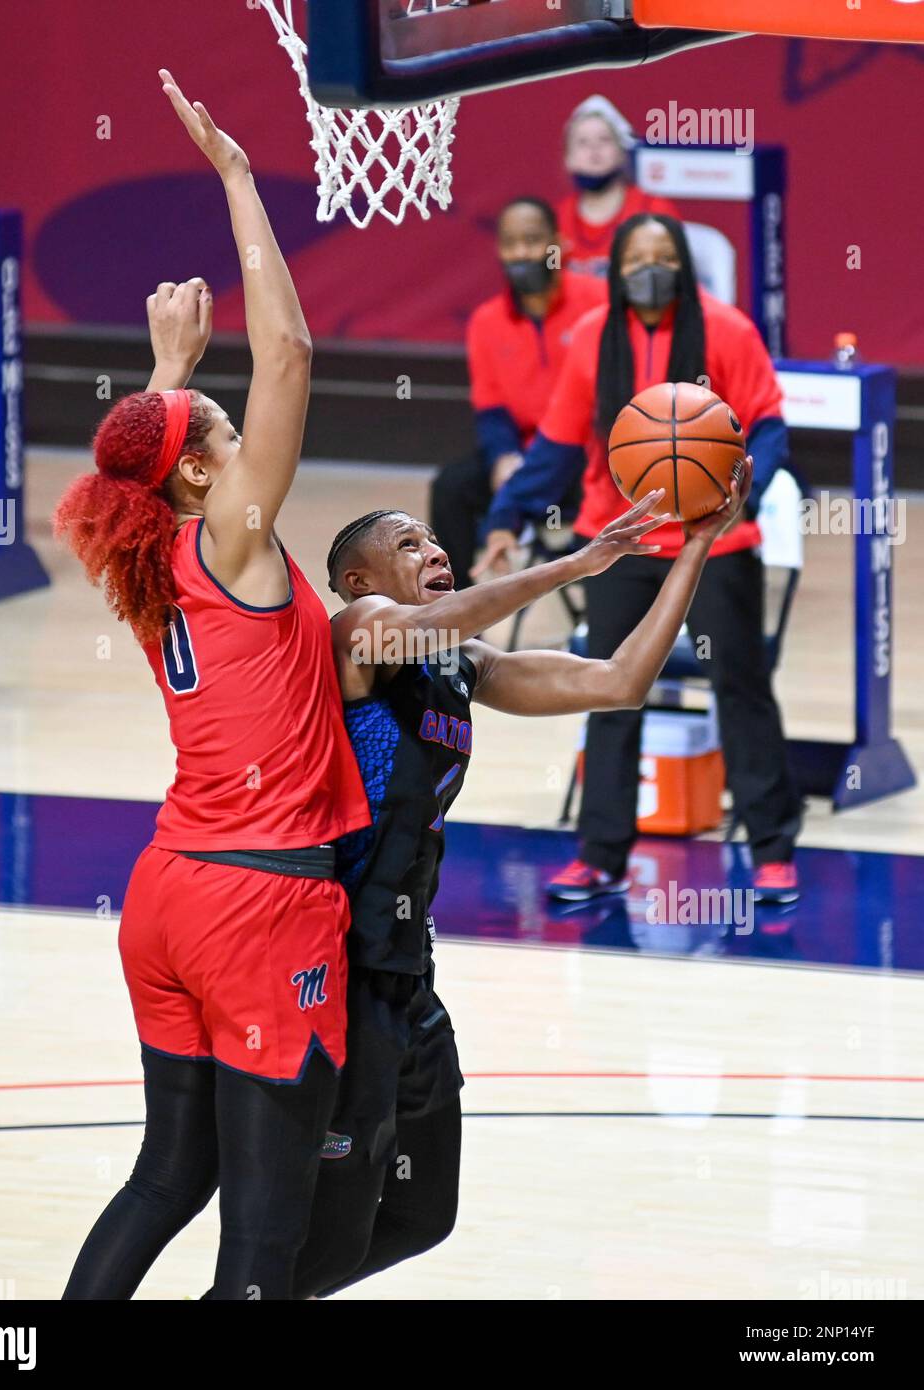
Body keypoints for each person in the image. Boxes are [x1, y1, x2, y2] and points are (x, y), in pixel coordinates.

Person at [54, 70, 370, 1301]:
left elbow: (148, 449)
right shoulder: (231, 536)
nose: (249, 439)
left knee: (165, 1179)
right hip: (259, 904)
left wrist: (164, 369)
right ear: (201, 482)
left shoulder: (150, 553)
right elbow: (289, 350)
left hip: (169, 893)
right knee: (265, 1239)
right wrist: (240, 176)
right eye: (224, 437)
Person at [291, 467, 751, 1298]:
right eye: (407, 544)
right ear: (358, 580)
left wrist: (696, 546)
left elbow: (617, 682)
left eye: (432, 539)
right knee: (330, 1228)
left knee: (423, 1215)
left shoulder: (464, 664)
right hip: (336, 970)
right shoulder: (357, 630)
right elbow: (425, 621)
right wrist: (579, 563)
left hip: (405, 969)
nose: (433, 551)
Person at [477, 212, 802, 906]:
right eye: (634, 260)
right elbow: (558, 447)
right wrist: (505, 517)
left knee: (739, 688)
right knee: (606, 690)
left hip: (715, 541)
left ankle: (772, 850)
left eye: (661, 257)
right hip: (619, 538)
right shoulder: (593, 337)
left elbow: (769, 426)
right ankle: (600, 855)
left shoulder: (727, 329)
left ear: (682, 264)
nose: (648, 270)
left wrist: (747, 492)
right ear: (615, 271)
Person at [429, 197, 605, 587]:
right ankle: (455, 613)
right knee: (450, 487)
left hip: (584, 453)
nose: (521, 252)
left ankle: (604, 602)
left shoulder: (599, 302)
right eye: (510, 242)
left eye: (532, 239)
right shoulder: (486, 322)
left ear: (558, 244)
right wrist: (503, 458)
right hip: (523, 454)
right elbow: (491, 412)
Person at [556, 94, 679, 279]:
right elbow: (550, 278)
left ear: (622, 152)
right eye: (582, 142)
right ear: (568, 158)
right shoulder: (556, 221)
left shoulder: (654, 210)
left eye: (604, 139)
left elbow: (674, 274)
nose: (594, 149)